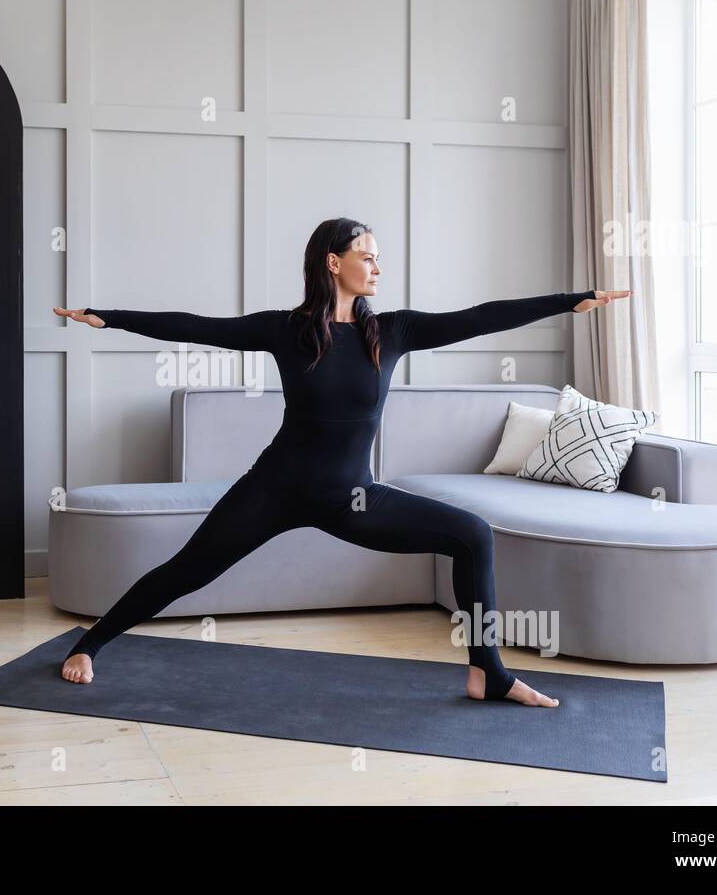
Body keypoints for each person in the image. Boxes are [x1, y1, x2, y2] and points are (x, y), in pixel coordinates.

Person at [51, 217, 630, 707]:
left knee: (473, 535)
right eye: (368, 257)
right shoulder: (287, 330)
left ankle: (489, 671)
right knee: (186, 572)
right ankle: (88, 645)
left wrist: (567, 302)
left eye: (378, 260)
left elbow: (480, 316)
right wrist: (110, 316)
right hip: (274, 489)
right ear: (333, 262)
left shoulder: (394, 331)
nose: (378, 268)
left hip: (353, 498)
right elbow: (200, 328)